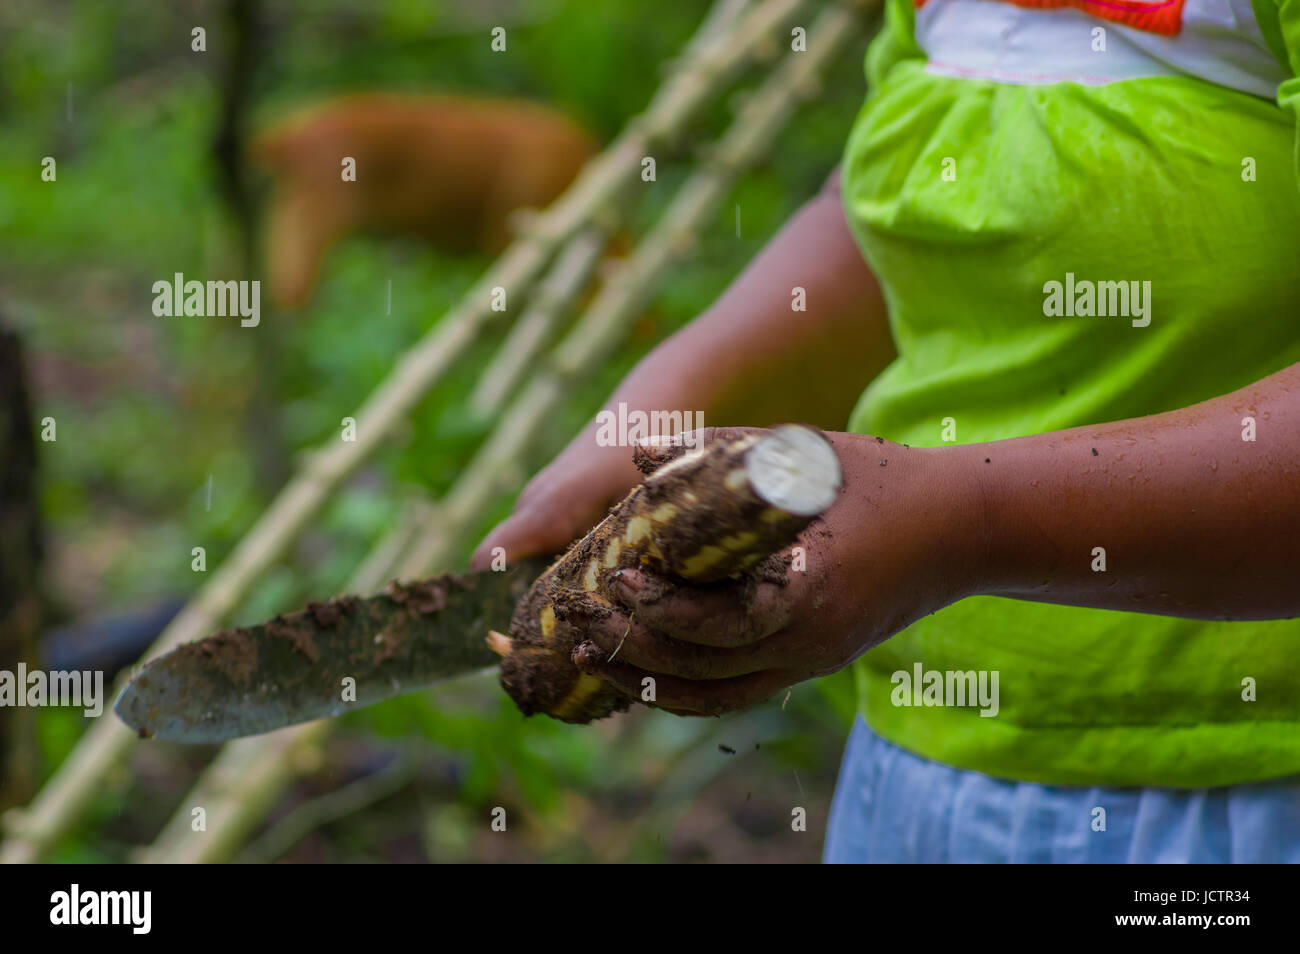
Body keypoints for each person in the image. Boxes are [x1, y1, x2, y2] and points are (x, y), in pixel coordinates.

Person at [472, 0, 1300, 862]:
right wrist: (657, 414)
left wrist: (961, 526)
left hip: (1244, 803)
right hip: (915, 768)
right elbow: (900, 220)